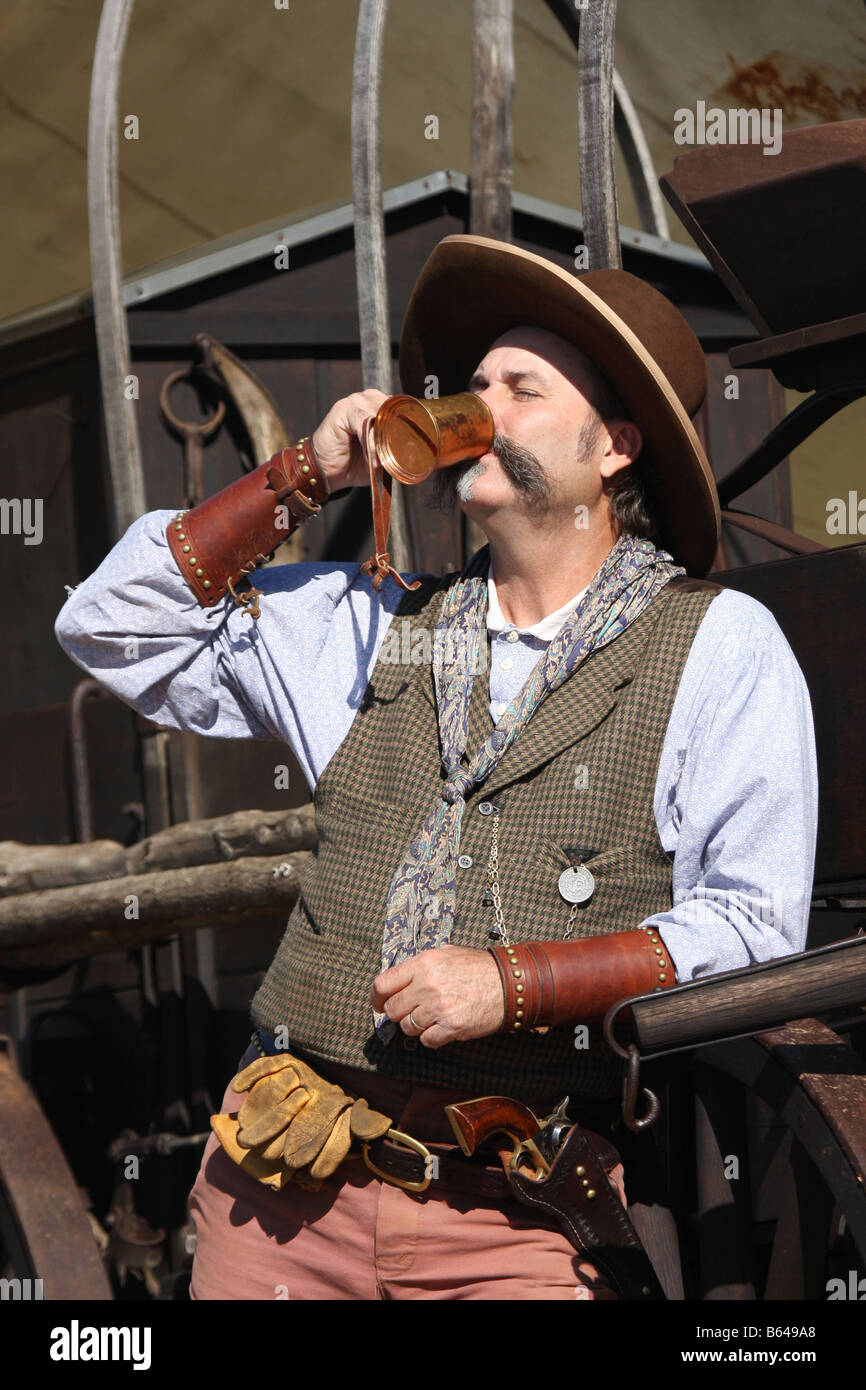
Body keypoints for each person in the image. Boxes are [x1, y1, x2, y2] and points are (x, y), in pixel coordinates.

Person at [54, 235, 817, 1300]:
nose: (478, 409)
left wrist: (512, 986)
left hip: (517, 1214)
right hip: (280, 1190)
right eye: (473, 387)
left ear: (614, 449)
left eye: (521, 387)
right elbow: (108, 627)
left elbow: (750, 928)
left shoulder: (718, 646)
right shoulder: (370, 623)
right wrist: (305, 473)